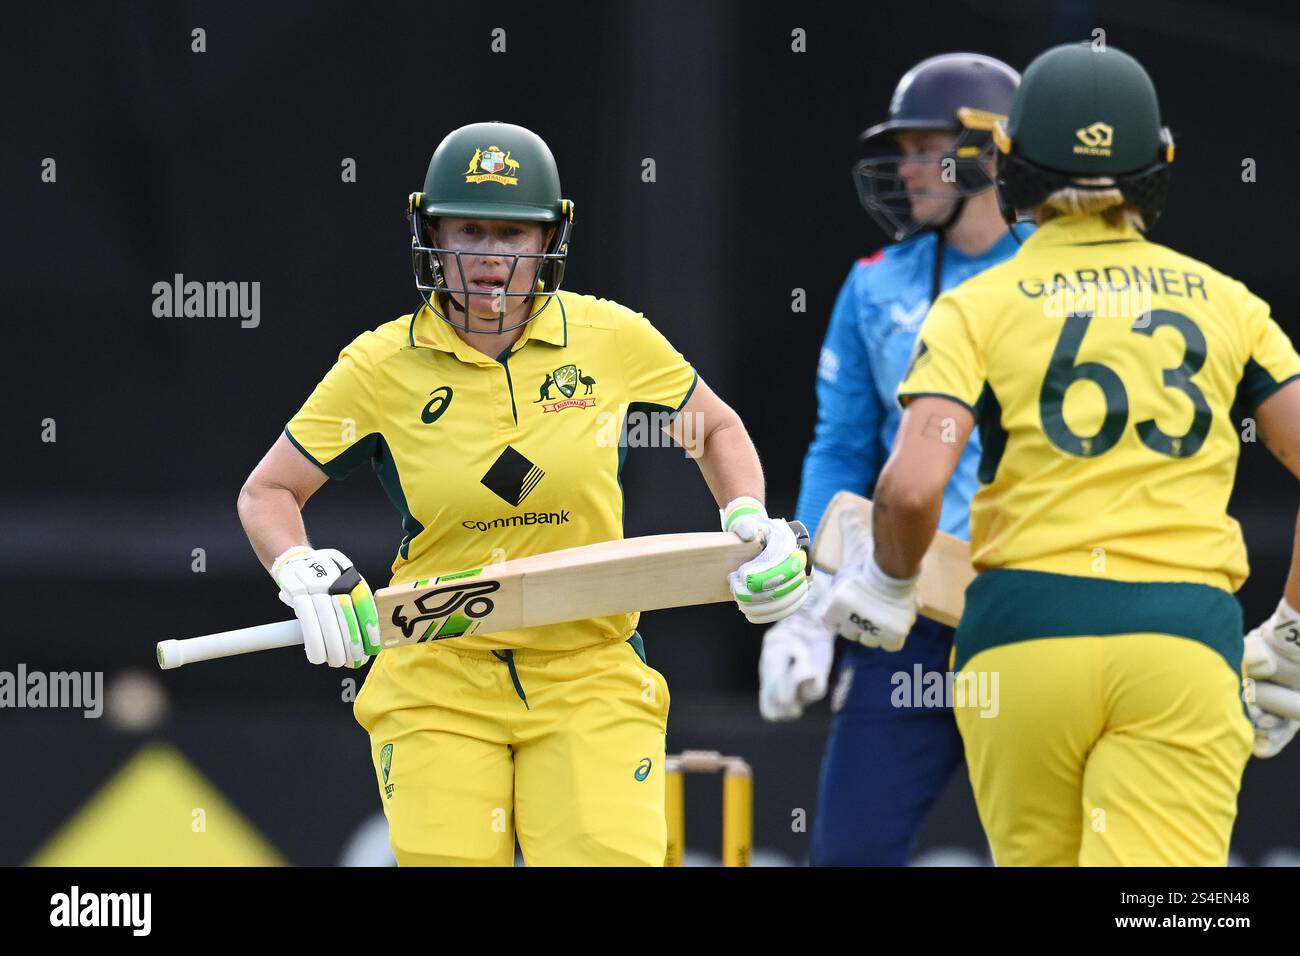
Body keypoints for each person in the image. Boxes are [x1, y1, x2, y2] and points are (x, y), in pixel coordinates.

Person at [236, 121, 809, 866]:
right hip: (438, 670)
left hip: (588, 666)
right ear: (431, 232)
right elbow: (269, 491)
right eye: (468, 229)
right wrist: (298, 567)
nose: (488, 256)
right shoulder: (379, 365)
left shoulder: (611, 337)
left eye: (513, 232)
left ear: (549, 241)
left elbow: (717, 428)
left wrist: (745, 518)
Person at [824, 41, 1300, 866]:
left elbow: (909, 491)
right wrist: (1291, 633)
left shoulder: (977, 304)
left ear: (1008, 163)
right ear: (1160, 165)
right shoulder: (1230, 303)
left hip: (1019, 642)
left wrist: (890, 582)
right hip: (1179, 641)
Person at [758, 53, 1028, 866]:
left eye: (924, 148)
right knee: (847, 854)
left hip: (1028, 609)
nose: (907, 169)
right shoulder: (875, 284)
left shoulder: (1059, 277)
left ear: (989, 149)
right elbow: (840, 445)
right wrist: (806, 591)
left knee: (1057, 852)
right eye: (903, 149)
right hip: (901, 607)